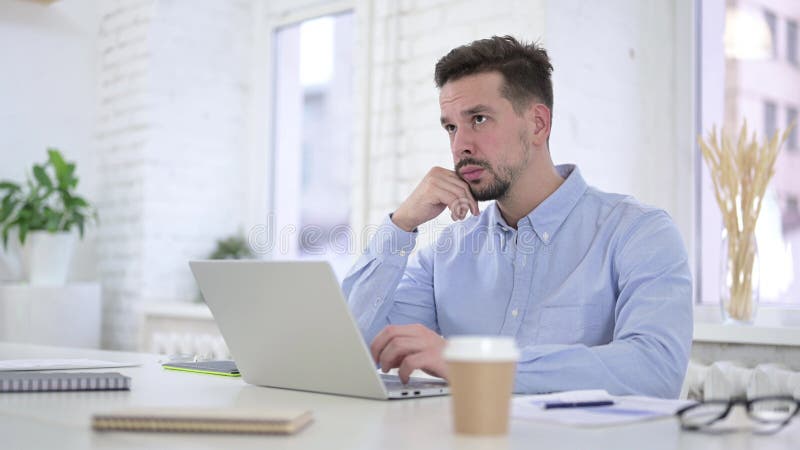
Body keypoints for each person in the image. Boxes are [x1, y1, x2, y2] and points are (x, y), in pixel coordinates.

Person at [342, 35, 692, 398]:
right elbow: (355, 348)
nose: (459, 144)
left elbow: (655, 370)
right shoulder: (447, 254)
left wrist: (473, 365)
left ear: (538, 124)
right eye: (450, 127)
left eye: (478, 119)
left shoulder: (638, 233)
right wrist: (401, 224)